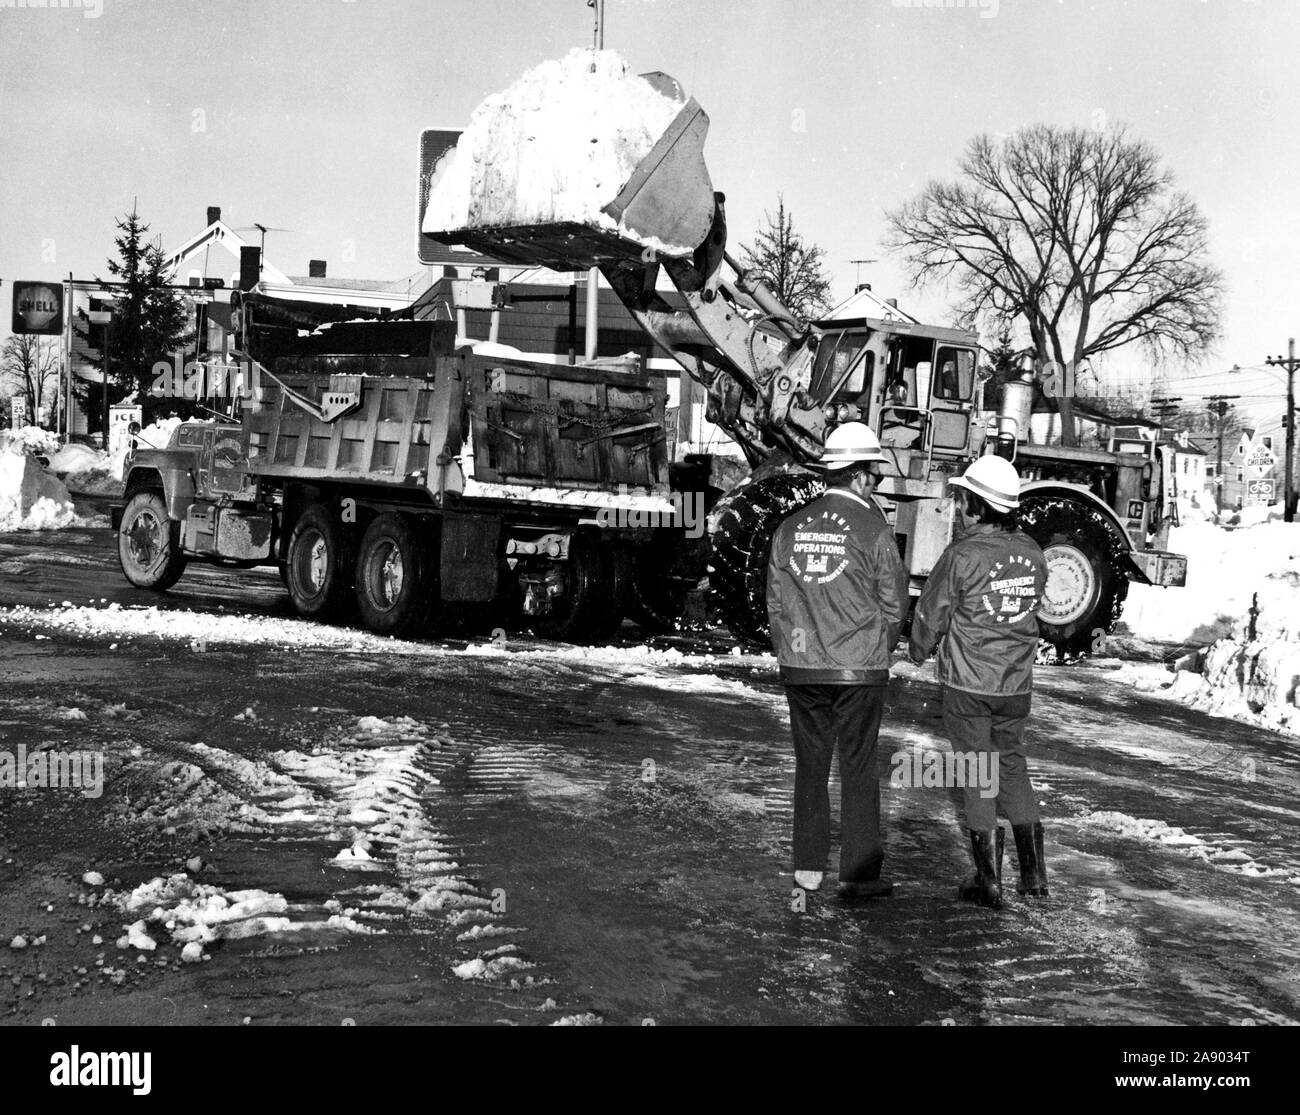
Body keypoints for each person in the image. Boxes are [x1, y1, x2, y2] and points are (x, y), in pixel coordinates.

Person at [766, 422, 909, 900]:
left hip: (803, 668)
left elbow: (776, 604)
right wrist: (875, 649)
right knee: (858, 768)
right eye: (876, 475)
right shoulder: (874, 529)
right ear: (862, 476)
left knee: (810, 768)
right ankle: (857, 874)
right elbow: (894, 607)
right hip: (858, 671)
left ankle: (807, 872)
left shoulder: (789, 526)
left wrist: (795, 650)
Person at [908, 454, 1049, 908]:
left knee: (977, 773)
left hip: (970, 685)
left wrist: (917, 649)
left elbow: (933, 612)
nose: (960, 509)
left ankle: (988, 882)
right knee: (1011, 766)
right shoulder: (1032, 552)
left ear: (977, 506)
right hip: (1016, 686)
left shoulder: (962, 555)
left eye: (964, 500)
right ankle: (1034, 877)